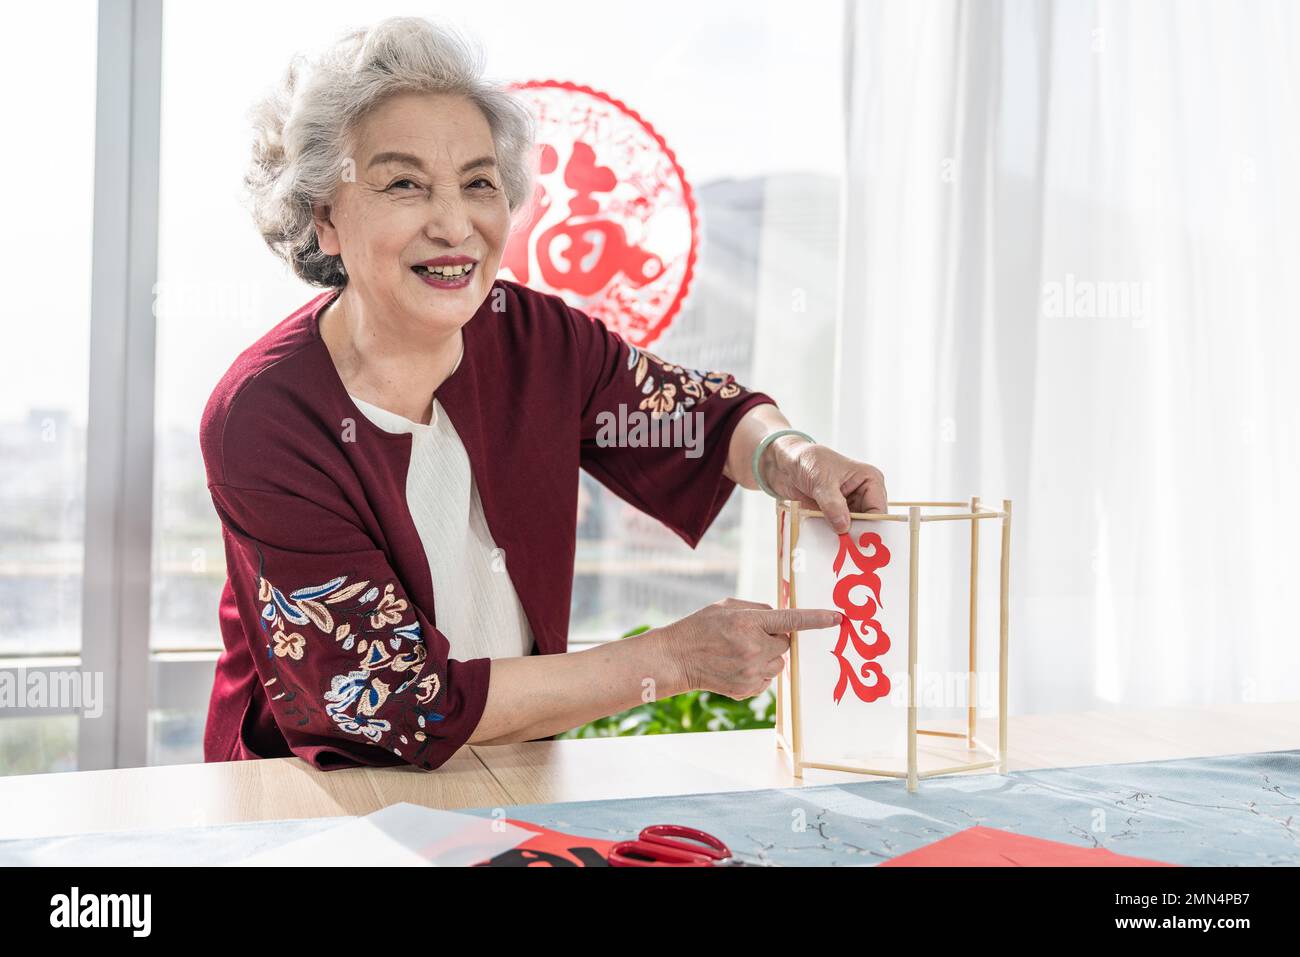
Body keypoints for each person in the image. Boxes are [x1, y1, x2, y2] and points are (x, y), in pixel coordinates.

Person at [200, 16, 889, 771]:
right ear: (325, 216)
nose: (454, 223)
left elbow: (701, 416)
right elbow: (403, 701)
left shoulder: (527, 336)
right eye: (403, 184)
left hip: (512, 778)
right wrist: (674, 660)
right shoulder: (264, 418)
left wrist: (790, 457)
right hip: (308, 798)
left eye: (478, 183)